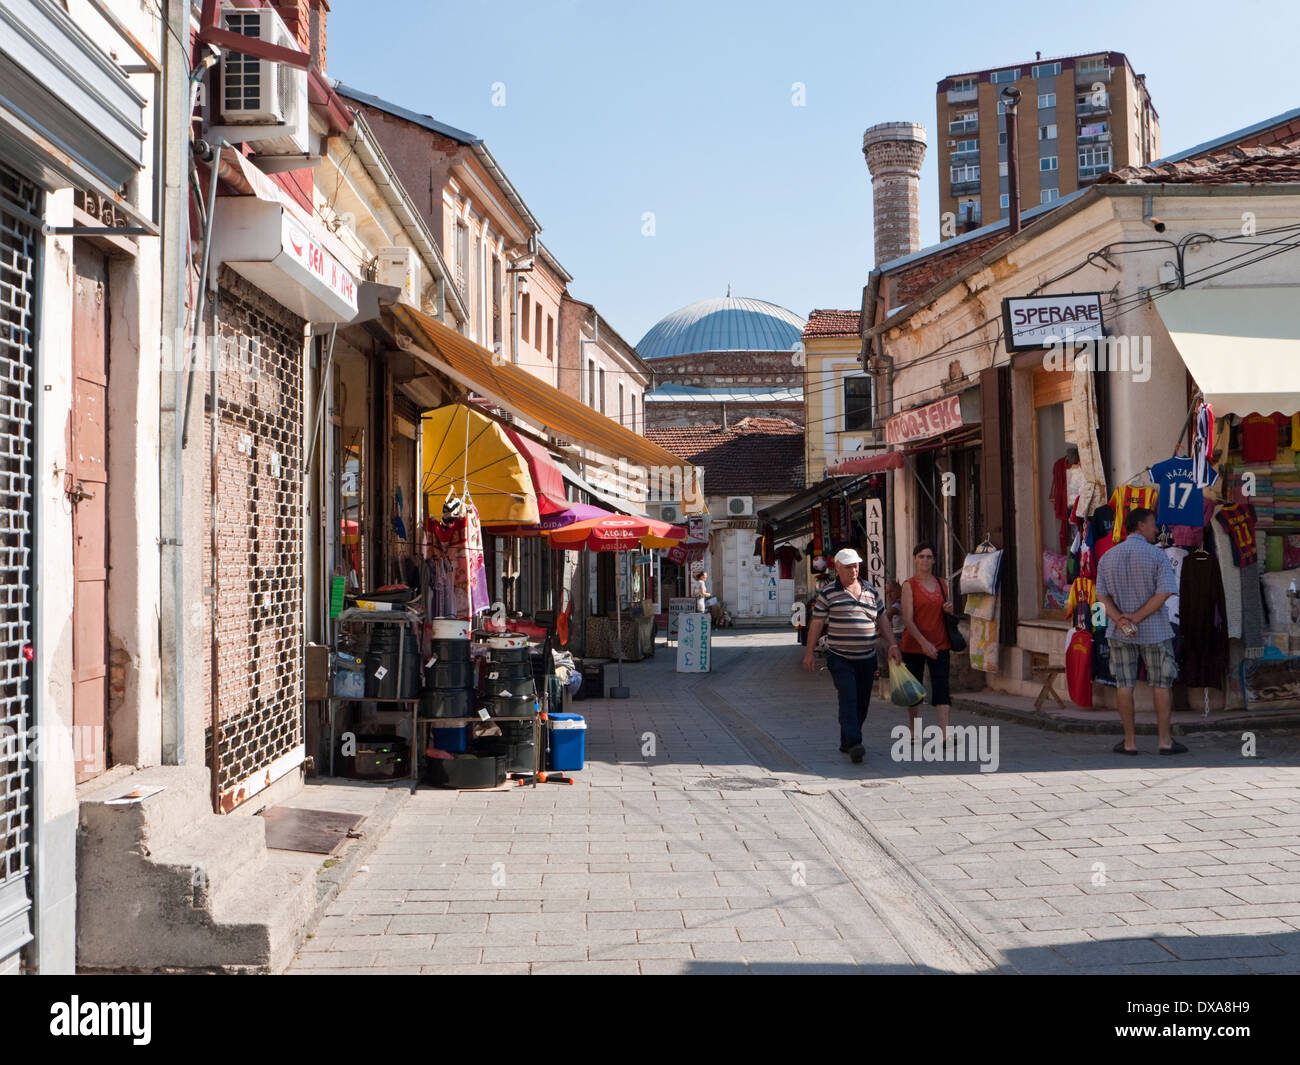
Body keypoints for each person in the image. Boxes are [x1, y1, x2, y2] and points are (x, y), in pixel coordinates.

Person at [1095, 506, 1184, 755]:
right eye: (1153, 524)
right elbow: (1165, 591)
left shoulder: (1108, 556)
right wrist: (1137, 617)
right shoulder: (1157, 556)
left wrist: (1121, 620)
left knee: (1124, 684)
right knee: (1161, 683)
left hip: (1119, 631)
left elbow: (1101, 594)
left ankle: (1129, 742)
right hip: (1154, 629)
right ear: (1141, 526)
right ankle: (1164, 741)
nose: (1156, 530)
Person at [801, 547, 903, 763]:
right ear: (837, 568)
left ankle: (846, 740)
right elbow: (817, 623)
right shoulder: (828, 593)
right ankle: (856, 742)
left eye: (855, 566)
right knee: (848, 696)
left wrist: (893, 645)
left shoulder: (870, 591)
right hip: (840, 657)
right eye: (848, 567)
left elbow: (882, 620)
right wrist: (809, 652)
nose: (853, 570)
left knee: (862, 702)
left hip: (866, 657)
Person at [900, 541, 954, 741]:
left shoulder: (942, 583)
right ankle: (914, 730)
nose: (925, 560)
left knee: (942, 686)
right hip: (914, 645)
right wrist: (923, 643)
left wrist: (948, 609)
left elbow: (945, 612)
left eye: (929, 557)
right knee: (914, 690)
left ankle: (945, 733)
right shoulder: (909, 585)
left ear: (933, 560)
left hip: (940, 643)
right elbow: (907, 619)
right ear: (915, 559)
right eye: (921, 556)